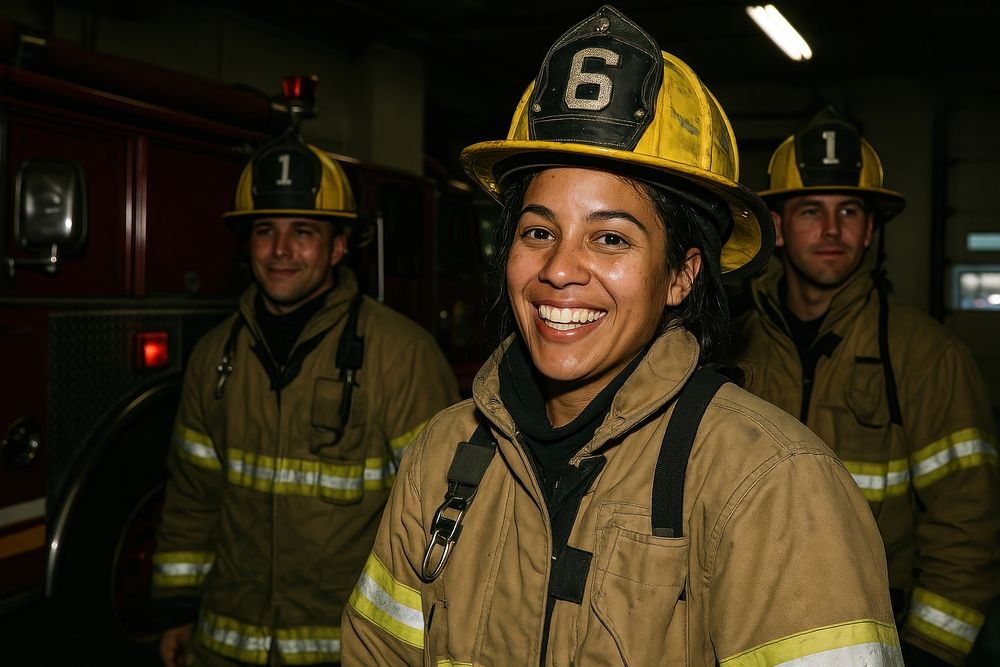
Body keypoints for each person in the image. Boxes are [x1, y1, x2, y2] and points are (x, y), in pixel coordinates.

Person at [340, 7, 903, 665]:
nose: (557, 269)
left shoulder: (773, 486)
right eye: (537, 231)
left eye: (610, 238)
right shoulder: (444, 454)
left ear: (681, 276)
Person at [151, 130, 460, 666]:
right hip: (226, 644)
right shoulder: (214, 358)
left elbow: (439, 518)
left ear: (340, 246)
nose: (280, 250)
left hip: (346, 648)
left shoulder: (401, 356)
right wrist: (177, 608)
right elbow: (192, 496)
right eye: (264, 230)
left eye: (304, 232)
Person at [734, 107, 1000, 666]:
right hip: (743, 633)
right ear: (778, 228)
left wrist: (928, 653)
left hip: (881, 641)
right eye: (811, 211)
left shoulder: (927, 357)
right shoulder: (728, 349)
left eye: (849, 211)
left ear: (870, 229)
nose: (832, 231)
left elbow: (967, 526)